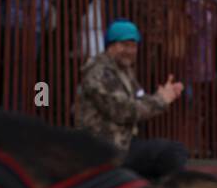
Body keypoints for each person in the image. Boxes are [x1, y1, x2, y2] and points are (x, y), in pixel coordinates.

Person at [73, 19, 187, 179]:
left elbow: (139, 98)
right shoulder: (99, 72)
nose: (130, 50)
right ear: (110, 46)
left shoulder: (124, 70)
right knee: (172, 151)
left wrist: (161, 96)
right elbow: (123, 111)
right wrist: (161, 100)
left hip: (124, 144)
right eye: (124, 45)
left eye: (133, 45)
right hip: (104, 149)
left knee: (160, 163)